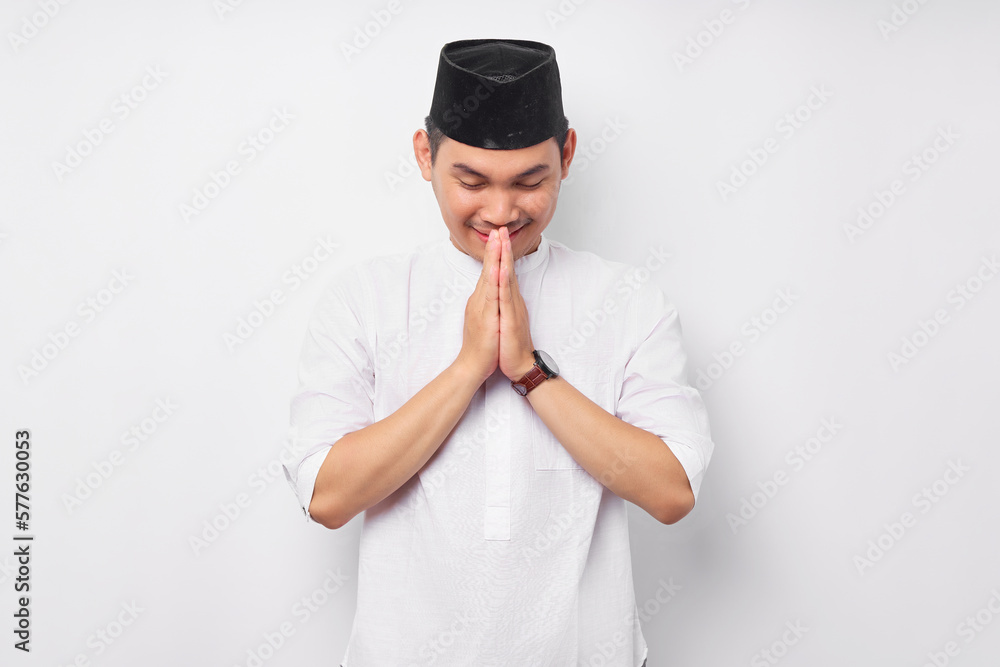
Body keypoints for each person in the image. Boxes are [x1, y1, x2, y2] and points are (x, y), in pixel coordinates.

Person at [282, 38, 714, 667]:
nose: (501, 212)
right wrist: (466, 368)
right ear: (425, 155)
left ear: (566, 155)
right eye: (472, 181)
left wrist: (530, 373)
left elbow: (671, 492)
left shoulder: (627, 300)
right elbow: (327, 496)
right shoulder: (364, 299)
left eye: (529, 181)